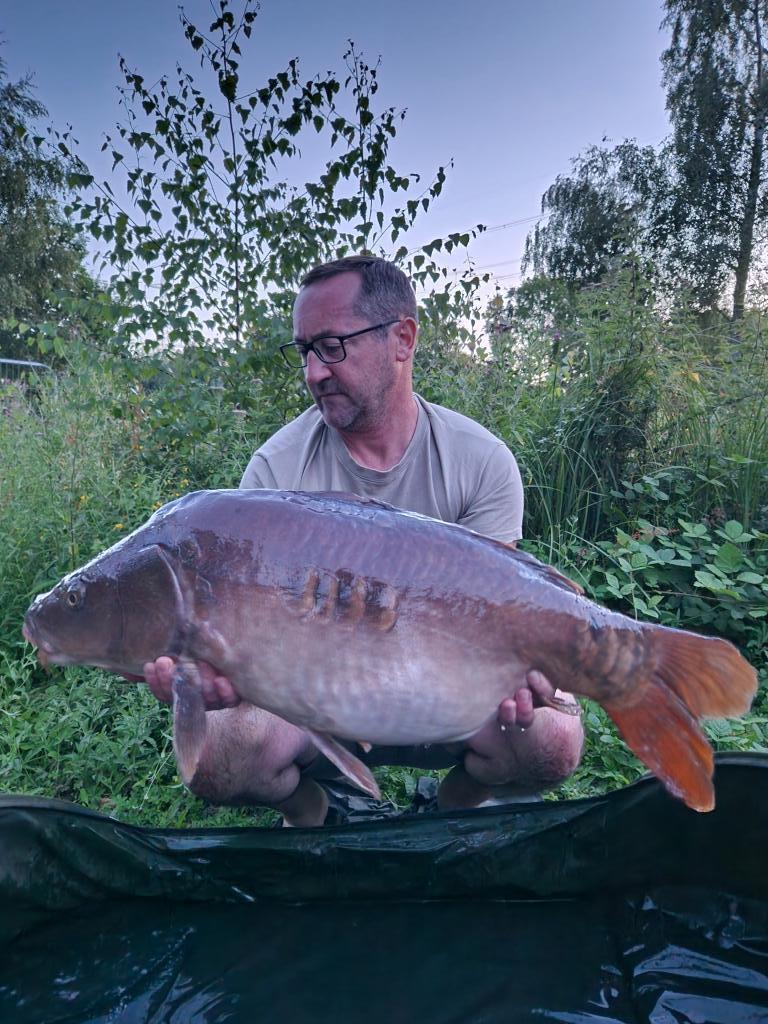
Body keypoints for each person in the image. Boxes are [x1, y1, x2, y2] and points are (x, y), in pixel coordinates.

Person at [140, 256, 584, 826]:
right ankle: (313, 811)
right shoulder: (274, 473)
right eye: (303, 351)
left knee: (554, 739)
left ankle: (457, 801)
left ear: (402, 339)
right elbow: (243, 644)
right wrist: (217, 677)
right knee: (216, 756)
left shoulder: (481, 462)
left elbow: (502, 614)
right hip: (318, 704)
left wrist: (524, 670)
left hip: (448, 699)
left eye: (331, 346)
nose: (313, 372)